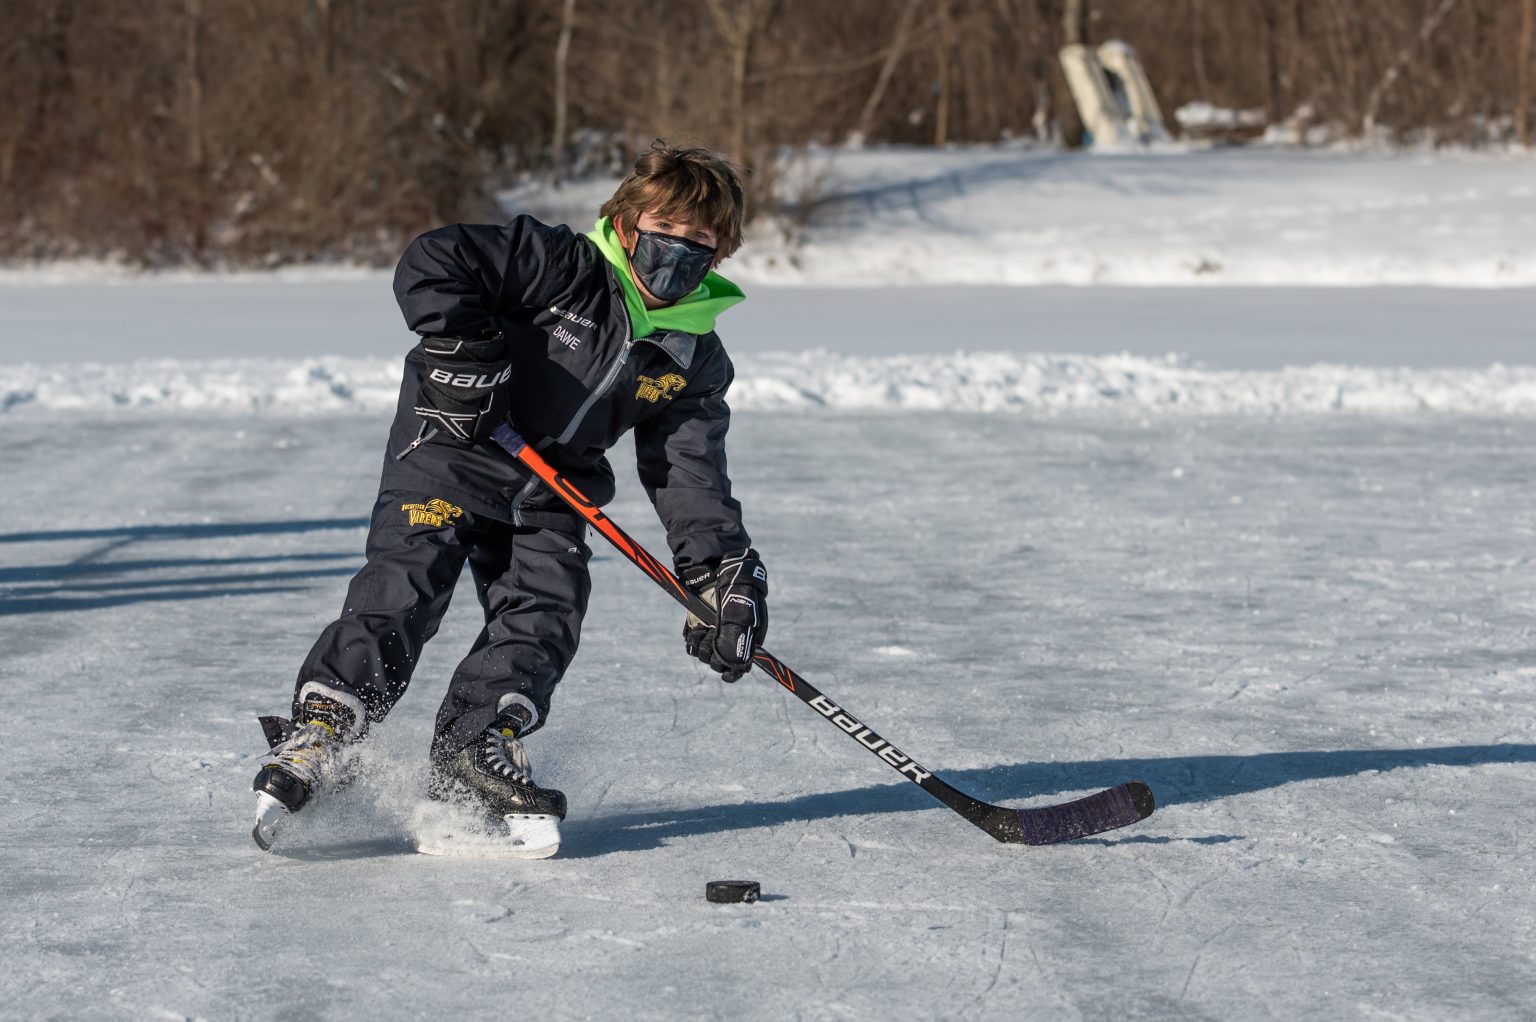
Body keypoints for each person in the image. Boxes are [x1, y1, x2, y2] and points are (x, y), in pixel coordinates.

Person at [251, 142, 768, 857]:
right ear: (625, 226)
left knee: (547, 609)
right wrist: (463, 351)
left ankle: (475, 746)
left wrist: (720, 576)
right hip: (451, 450)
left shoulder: (694, 357)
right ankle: (325, 726)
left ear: (721, 255)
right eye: (664, 231)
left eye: (699, 243)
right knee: (406, 585)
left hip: (552, 492)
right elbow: (435, 259)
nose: (677, 252)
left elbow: (691, 475)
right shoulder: (559, 267)